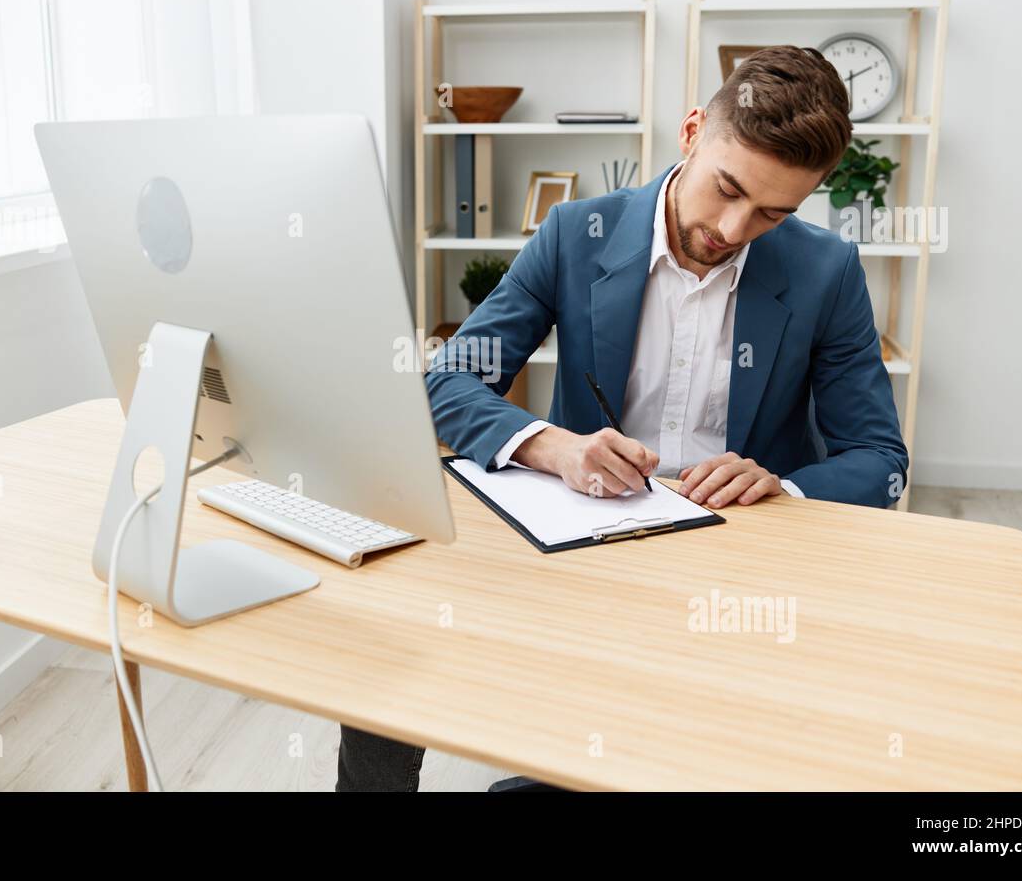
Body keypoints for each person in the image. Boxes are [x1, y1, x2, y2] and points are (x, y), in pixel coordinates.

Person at [337, 45, 908, 792]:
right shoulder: (576, 232)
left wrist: (782, 487)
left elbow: (880, 458)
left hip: (733, 557)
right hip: (579, 538)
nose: (734, 228)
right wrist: (551, 447)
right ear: (693, 131)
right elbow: (448, 377)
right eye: (727, 188)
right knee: (393, 616)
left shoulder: (825, 270)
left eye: (773, 213)